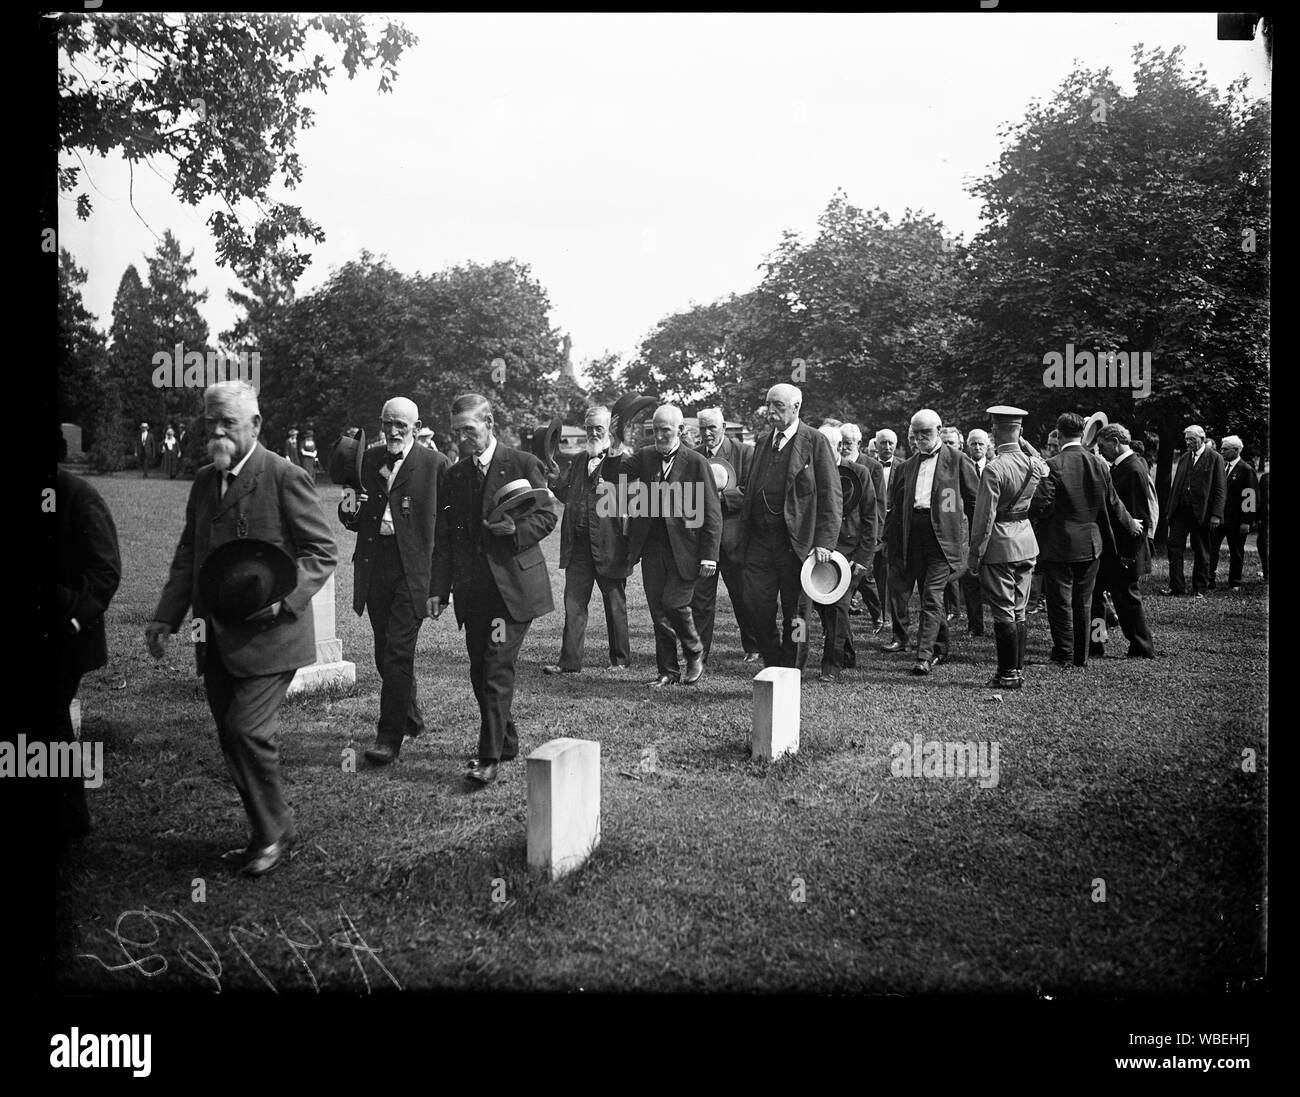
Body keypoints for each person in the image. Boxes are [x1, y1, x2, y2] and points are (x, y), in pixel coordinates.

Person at [145, 380, 337, 876]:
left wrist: (283, 604)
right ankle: (263, 832)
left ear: (255, 425)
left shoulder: (284, 475)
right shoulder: (204, 481)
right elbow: (190, 554)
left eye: (228, 421)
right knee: (230, 739)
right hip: (212, 637)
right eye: (210, 421)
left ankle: (275, 833)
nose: (217, 431)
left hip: (272, 638)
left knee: (247, 731)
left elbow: (322, 552)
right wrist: (167, 616)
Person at [430, 394, 557, 786]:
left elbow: (547, 514)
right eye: (457, 433)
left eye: (469, 430)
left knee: (496, 666)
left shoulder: (521, 463)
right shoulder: (453, 476)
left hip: (513, 592)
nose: (462, 439)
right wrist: (439, 589)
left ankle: (488, 757)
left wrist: (515, 531)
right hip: (474, 593)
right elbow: (446, 538)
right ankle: (506, 740)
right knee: (479, 669)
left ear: (490, 423)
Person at [339, 397, 449, 766]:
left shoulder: (435, 465)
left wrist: (441, 584)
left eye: (401, 425)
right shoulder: (369, 460)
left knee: (399, 651)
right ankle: (412, 719)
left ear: (417, 428)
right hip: (375, 565)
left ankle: (389, 738)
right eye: (388, 423)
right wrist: (350, 509)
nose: (393, 431)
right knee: (384, 651)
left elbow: (448, 529)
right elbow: (352, 513)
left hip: (412, 571)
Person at [603, 404, 721, 687]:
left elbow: (712, 513)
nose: (658, 435)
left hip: (686, 551)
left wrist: (709, 557)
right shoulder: (645, 457)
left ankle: (694, 651)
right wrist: (615, 444)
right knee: (658, 612)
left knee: (674, 603)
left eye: (665, 430)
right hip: (652, 549)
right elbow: (612, 474)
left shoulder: (695, 462)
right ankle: (668, 671)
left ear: (680, 430)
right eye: (654, 430)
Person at [739, 384, 841, 669]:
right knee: (757, 607)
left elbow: (831, 494)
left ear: (796, 408)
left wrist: (825, 541)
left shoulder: (815, 441)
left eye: (778, 406)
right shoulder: (761, 441)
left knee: (797, 614)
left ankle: (792, 668)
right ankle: (773, 664)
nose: (771, 411)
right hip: (759, 543)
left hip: (797, 545)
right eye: (769, 404)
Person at [1035, 412, 1141, 666]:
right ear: (1083, 434)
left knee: (1060, 602)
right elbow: (1114, 503)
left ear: (1058, 435)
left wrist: (1047, 519)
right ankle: (1080, 655)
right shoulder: (1099, 463)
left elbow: (1040, 504)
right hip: (1092, 544)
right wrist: (1131, 525)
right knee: (1084, 601)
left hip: (1059, 544)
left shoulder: (1053, 464)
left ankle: (1064, 652)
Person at [52, 466, 122, 847]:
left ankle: (71, 819)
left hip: (68, 634)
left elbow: (105, 574)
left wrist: (72, 617)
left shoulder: (80, 498)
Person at [880, 409, 979, 675]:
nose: (920, 437)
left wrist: (973, 545)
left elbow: (975, 505)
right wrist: (887, 540)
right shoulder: (907, 466)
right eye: (916, 432)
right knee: (927, 595)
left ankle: (923, 656)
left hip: (943, 541)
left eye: (927, 432)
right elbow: (896, 508)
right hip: (913, 539)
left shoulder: (959, 461)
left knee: (931, 596)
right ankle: (940, 647)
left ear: (939, 429)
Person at [544, 406, 632, 675]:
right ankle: (569, 663)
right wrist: (556, 480)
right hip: (578, 546)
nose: (593, 432)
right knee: (574, 603)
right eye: (589, 428)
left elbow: (635, 501)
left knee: (614, 603)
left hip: (610, 546)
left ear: (609, 429)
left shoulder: (623, 460)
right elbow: (568, 495)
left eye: (598, 428)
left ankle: (620, 660)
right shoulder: (580, 459)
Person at [966, 407, 1046, 689]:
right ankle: (1016, 670)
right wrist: (1024, 444)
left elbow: (984, 518)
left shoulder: (994, 468)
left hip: (1000, 544)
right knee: (1020, 610)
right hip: (1026, 541)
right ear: (1020, 430)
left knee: (1003, 611)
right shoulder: (1034, 464)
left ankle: (1008, 673)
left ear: (994, 432)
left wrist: (975, 555)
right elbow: (1044, 465)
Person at [689, 407, 759, 663]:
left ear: (724, 428)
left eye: (712, 428)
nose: (707, 433)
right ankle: (699, 652)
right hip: (703, 541)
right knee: (701, 600)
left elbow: (750, 491)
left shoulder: (745, 453)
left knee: (742, 596)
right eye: (703, 428)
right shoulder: (694, 456)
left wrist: (718, 498)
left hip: (734, 540)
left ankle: (753, 645)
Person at [815, 424, 877, 682]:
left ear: (839, 446)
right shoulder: (813, 473)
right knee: (823, 605)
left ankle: (832, 665)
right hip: (820, 552)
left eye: (825, 446)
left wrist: (863, 559)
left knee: (839, 607)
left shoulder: (859, 473)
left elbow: (871, 517)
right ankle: (847, 652)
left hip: (849, 554)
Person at [1090, 423, 1156, 658]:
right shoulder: (1126, 466)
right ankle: (1097, 642)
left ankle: (1142, 646)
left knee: (1127, 600)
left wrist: (1128, 554)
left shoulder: (1132, 470)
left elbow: (1141, 518)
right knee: (1101, 595)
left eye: (1103, 445)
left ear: (1116, 442)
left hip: (1125, 552)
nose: (1100, 450)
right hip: (1118, 551)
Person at [1162, 424, 1226, 597]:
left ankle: (1199, 588)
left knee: (1202, 550)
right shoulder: (1184, 458)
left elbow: (1220, 489)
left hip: (1203, 512)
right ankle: (1177, 586)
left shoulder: (1215, 458)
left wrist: (1216, 514)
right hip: (1181, 511)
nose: (1188, 442)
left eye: (1192, 439)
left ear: (1202, 439)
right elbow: (1176, 485)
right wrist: (1170, 509)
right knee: (1174, 547)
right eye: (1186, 439)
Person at [840, 423, 885, 633]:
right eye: (842, 443)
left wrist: (875, 538)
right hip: (842, 535)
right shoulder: (836, 465)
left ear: (858, 443)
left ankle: (879, 616)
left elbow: (878, 506)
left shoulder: (871, 467)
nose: (844, 448)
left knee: (866, 580)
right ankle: (839, 626)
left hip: (864, 534)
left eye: (848, 443)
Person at [1209, 434, 1258, 590]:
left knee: (1236, 551)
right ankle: (1209, 578)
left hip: (1237, 520)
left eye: (1225, 449)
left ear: (1236, 450)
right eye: (1221, 448)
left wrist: (1246, 521)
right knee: (1211, 549)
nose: (1221, 451)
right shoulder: (1221, 466)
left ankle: (1235, 581)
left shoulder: (1246, 470)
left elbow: (1249, 496)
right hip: (1219, 517)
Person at [872, 428, 904, 636]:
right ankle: (880, 615)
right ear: (876, 445)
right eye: (883, 443)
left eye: (891, 443)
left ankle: (893, 618)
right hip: (874, 525)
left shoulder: (903, 466)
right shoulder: (869, 466)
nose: (887, 447)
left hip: (896, 526)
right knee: (876, 573)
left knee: (894, 574)